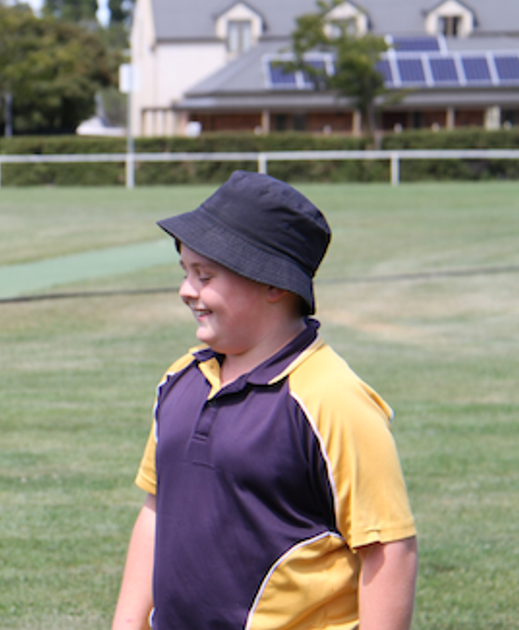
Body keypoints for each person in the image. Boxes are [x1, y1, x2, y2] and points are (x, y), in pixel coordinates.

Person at [111, 171, 418, 630]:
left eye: (205, 275)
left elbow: (388, 549)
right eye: (185, 273)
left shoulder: (331, 397)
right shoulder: (181, 379)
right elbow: (157, 509)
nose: (186, 290)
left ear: (274, 284)